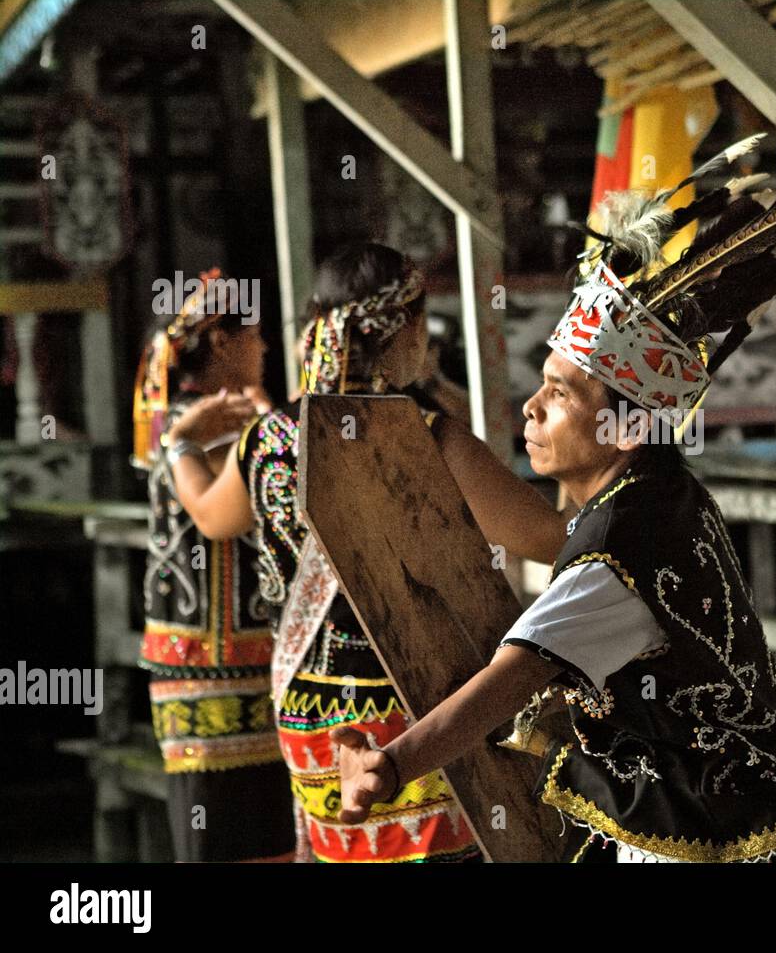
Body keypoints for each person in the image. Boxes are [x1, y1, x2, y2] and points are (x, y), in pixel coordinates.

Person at [331, 132, 776, 861]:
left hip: (699, 834)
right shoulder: (657, 497)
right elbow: (552, 569)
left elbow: (511, 682)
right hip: (741, 814)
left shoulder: (611, 556)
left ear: (626, 426)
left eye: (558, 394)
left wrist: (392, 763)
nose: (531, 409)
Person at [166, 243, 567, 862]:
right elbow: (550, 539)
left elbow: (210, 518)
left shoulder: (267, 440)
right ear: (402, 330)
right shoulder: (424, 439)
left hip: (307, 712)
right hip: (413, 708)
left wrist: (179, 447)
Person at [131, 267, 293, 862]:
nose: (266, 346)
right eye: (253, 333)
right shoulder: (199, 427)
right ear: (222, 342)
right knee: (230, 836)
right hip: (211, 672)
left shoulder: (185, 423)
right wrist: (271, 424)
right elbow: (234, 507)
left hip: (231, 667)